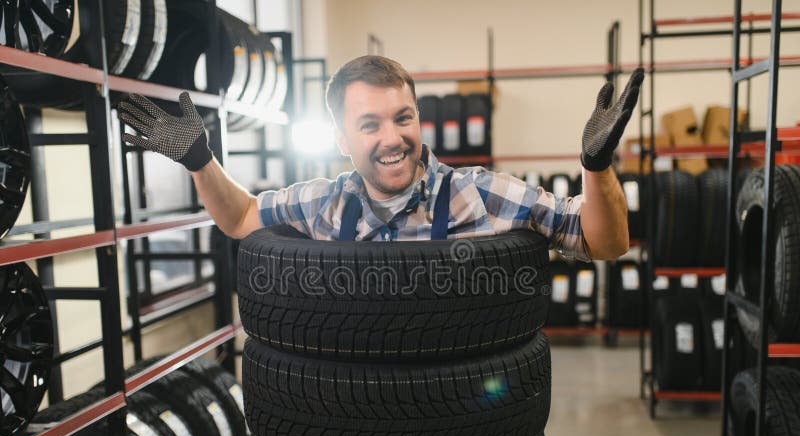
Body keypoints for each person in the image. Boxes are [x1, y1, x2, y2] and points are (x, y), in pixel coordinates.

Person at [118, 55, 643, 260]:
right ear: (342, 140)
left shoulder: (480, 195)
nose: (392, 138)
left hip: (462, 429)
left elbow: (606, 242)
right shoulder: (323, 204)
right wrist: (198, 159)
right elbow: (239, 218)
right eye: (369, 125)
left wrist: (595, 168)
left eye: (403, 117)